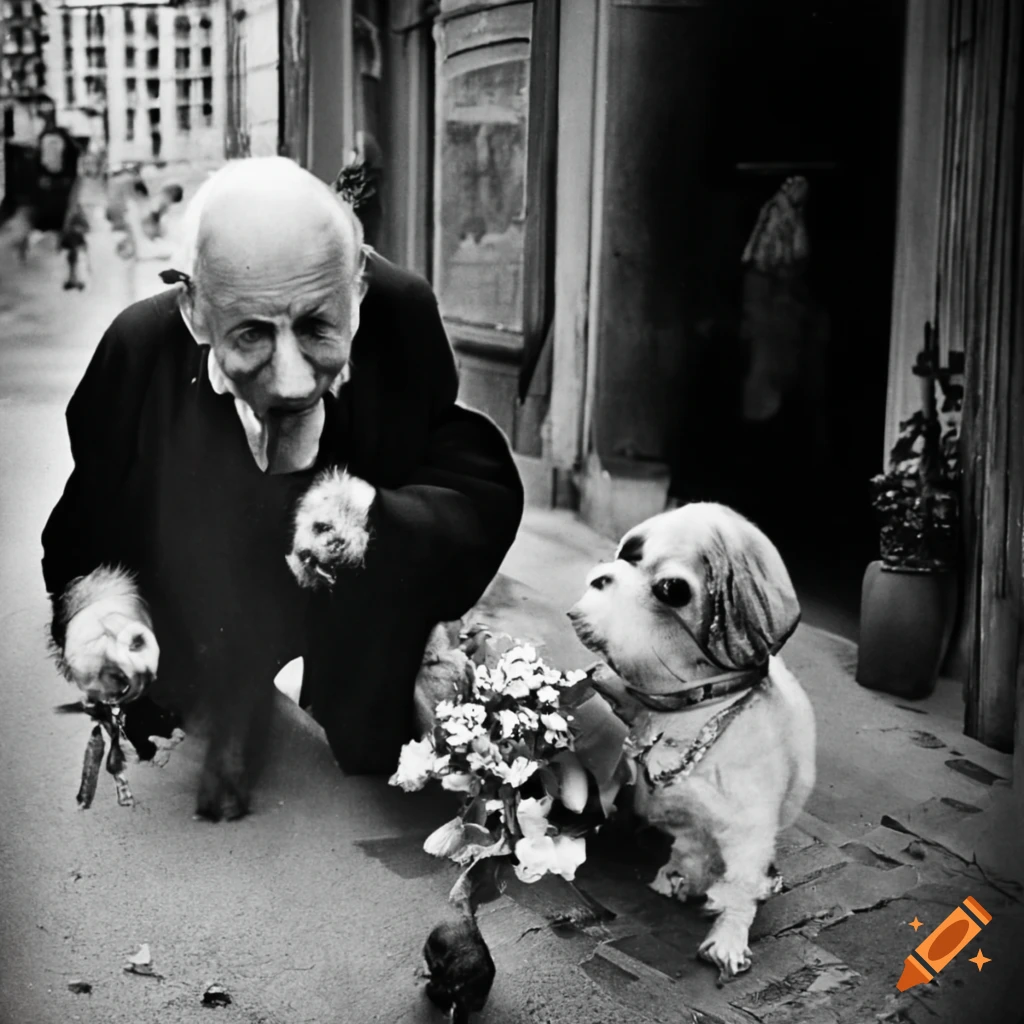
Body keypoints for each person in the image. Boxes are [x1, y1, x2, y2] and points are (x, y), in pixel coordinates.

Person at [41, 157, 525, 819]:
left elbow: (464, 480)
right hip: (203, 616)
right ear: (194, 308)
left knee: (370, 755)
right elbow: (87, 527)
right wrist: (104, 614)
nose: (295, 381)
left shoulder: (400, 315)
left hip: (343, 627)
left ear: (355, 290)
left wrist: (377, 517)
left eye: (319, 328)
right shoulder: (138, 351)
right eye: (250, 334)